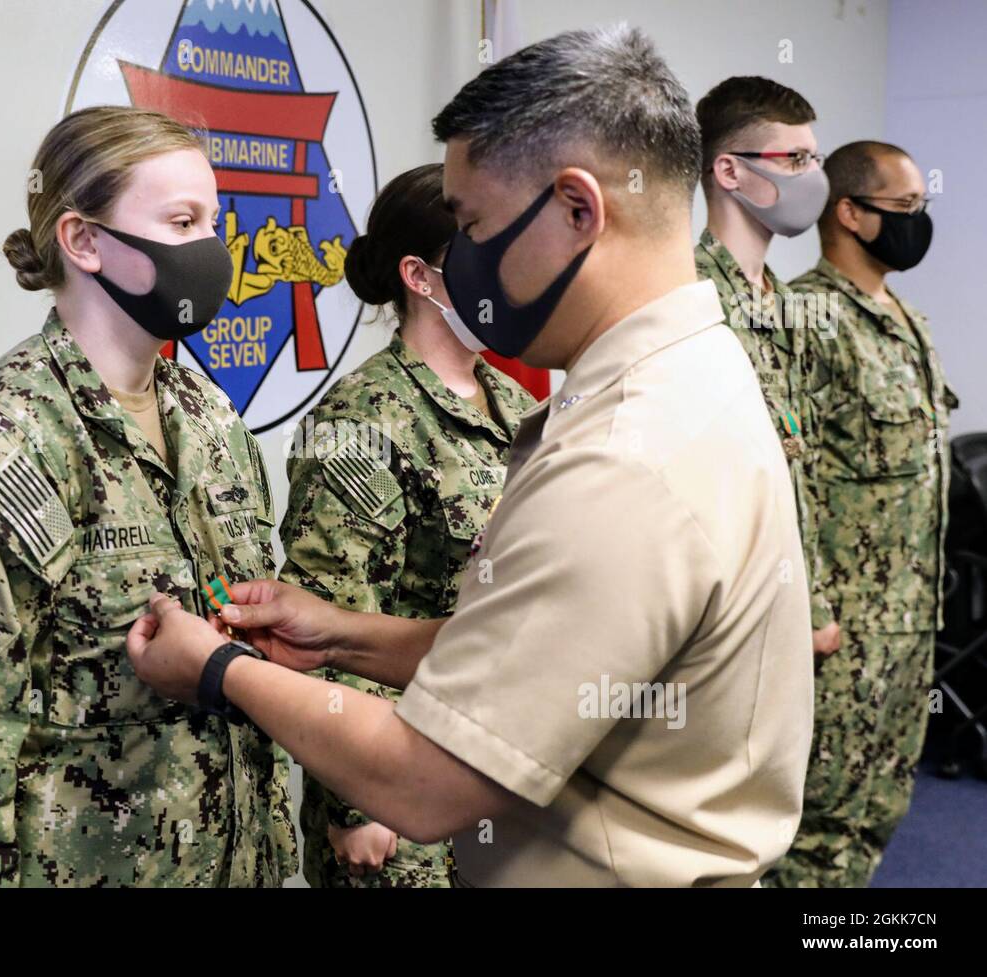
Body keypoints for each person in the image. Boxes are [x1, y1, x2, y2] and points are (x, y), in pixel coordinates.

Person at [125, 27, 814, 887]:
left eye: (476, 224)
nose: (470, 261)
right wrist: (342, 634)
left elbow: (427, 780)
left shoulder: (624, 457)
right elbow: (543, 650)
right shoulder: (688, 377)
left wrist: (218, 669)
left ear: (577, 209)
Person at [0, 106, 296, 887]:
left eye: (213, 222)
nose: (213, 252)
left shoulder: (209, 417)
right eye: (182, 221)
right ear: (84, 241)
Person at [280, 163, 535, 887]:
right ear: (419, 277)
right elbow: (327, 625)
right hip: (406, 796)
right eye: (485, 249)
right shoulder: (360, 422)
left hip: (510, 768)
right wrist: (358, 800)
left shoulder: (516, 405)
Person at [763, 141, 958, 888]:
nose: (917, 224)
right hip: (845, 631)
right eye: (905, 209)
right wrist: (813, 611)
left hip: (911, 617)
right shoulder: (808, 318)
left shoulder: (904, 317)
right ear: (849, 212)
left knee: (879, 811)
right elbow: (790, 478)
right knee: (820, 826)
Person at [693, 76, 839, 656]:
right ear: (729, 172)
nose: (814, 178)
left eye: (816, 158)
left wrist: (814, 604)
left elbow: (799, 466)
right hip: (726, 618)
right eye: (796, 159)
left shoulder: (786, 305)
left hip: (792, 604)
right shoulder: (689, 299)